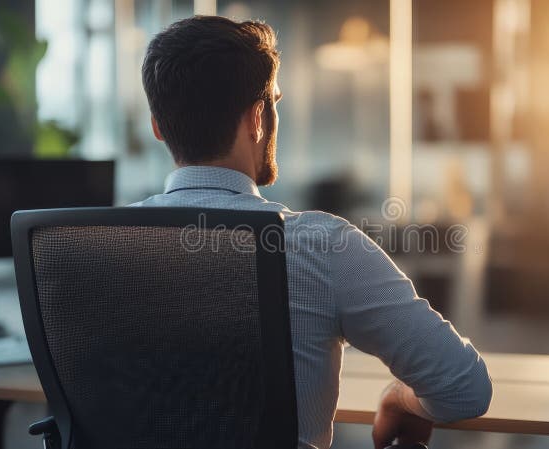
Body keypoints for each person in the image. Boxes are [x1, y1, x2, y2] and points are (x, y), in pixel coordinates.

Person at [133, 15, 492, 449]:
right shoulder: (324, 246)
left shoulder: (96, 247)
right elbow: (463, 388)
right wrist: (400, 397)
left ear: (156, 126)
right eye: (275, 103)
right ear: (257, 119)